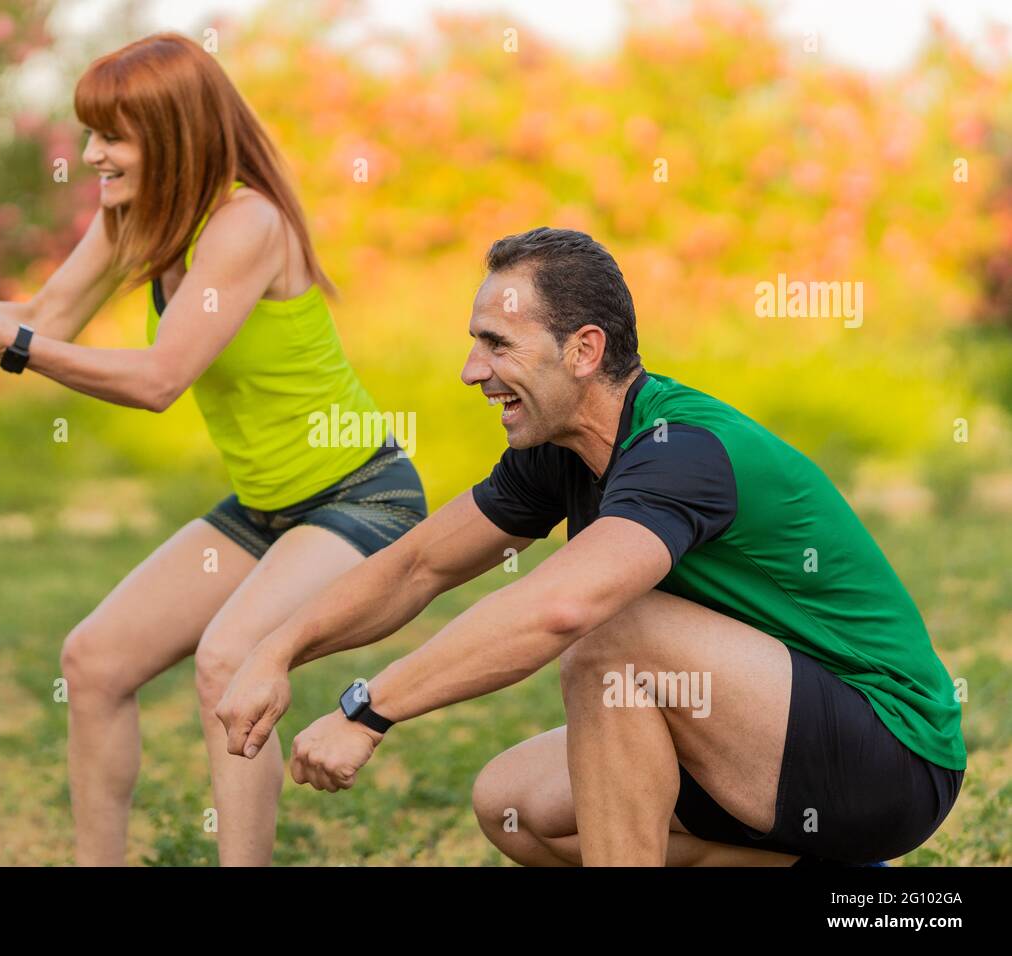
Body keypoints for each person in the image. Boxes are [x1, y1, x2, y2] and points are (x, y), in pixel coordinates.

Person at [214, 227, 966, 866]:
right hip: (754, 742)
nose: (472, 371)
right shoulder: (561, 449)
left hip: (889, 758)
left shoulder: (682, 449)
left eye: (496, 344)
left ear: (583, 350)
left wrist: (368, 710)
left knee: (613, 632)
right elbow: (419, 564)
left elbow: (561, 607)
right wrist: (276, 649)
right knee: (514, 806)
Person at [0, 33, 426, 866]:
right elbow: (47, 317)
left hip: (362, 496)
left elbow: (159, 378)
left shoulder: (248, 222)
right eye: (92, 133)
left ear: (176, 134)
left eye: (112, 136)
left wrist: (11, 343)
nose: (92, 155)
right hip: (268, 506)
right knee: (94, 660)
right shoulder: (132, 214)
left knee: (228, 661)